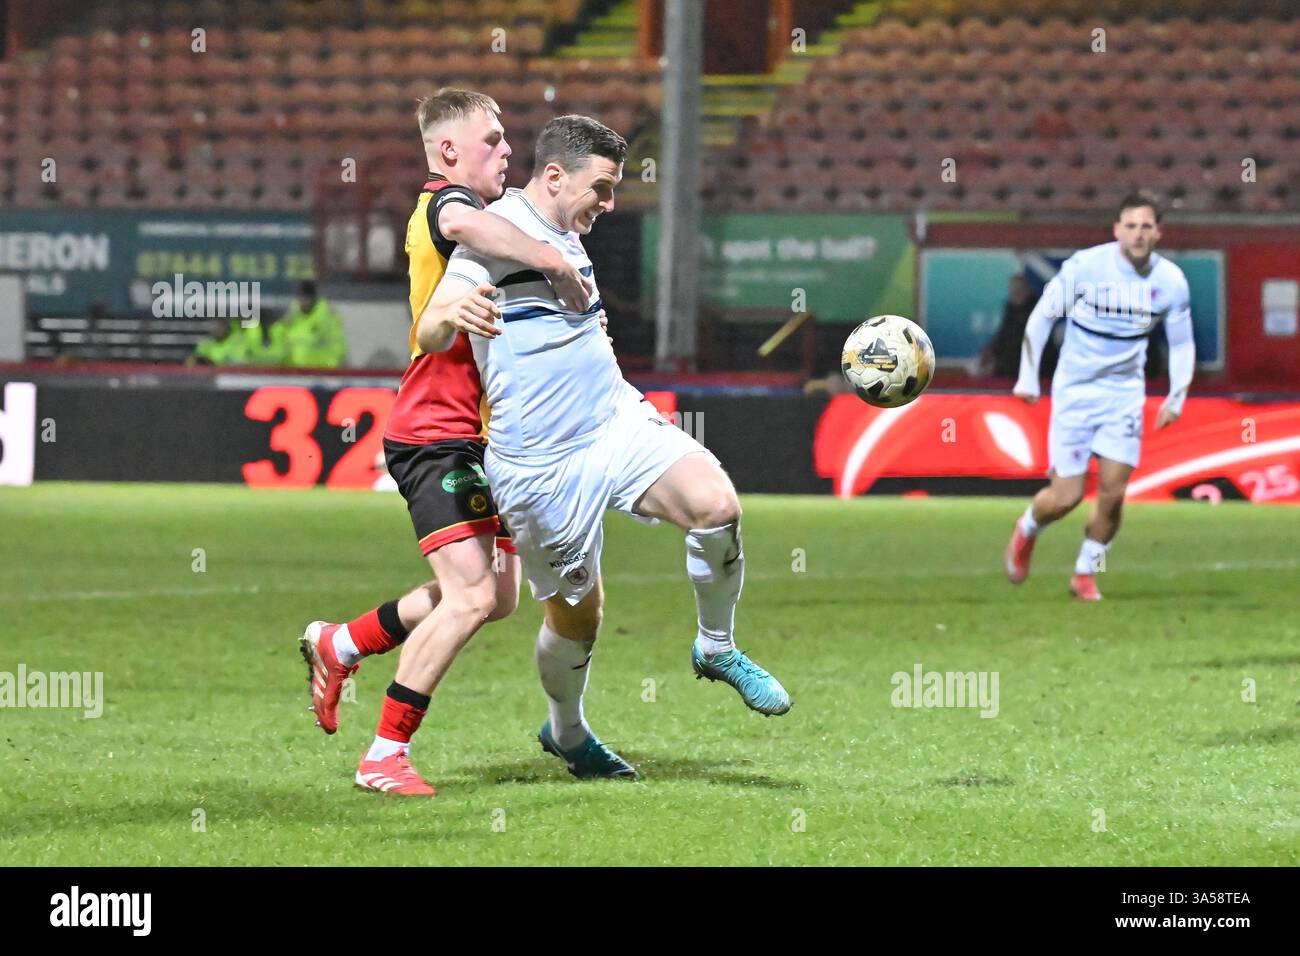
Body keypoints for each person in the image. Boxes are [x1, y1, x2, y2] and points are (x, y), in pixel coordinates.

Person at [420, 115, 791, 782]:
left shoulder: (569, 228)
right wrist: (454, 316)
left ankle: (716, 647)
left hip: (613, 420)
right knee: (578, 618)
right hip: (537, 467)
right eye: (603, 188)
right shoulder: (496, 236)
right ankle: (568, 732)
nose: (610, 203)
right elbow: (429, 329)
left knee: (717, 505)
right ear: (556, 177)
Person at [298, 89, 593, 797]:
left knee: (495, 599)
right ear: (451, 149)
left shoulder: (484, 218)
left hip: (483, 440)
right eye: (492, 139)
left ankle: (342, 643)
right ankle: (384, 757)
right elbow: (467, 226)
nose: (508, 149)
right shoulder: (447, 204)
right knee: (467, 598)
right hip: (436, 433)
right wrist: (556, 260)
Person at [1004, 190, 1194, 600]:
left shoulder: (1170, 282)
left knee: (1113, 492)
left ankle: (1085, 573)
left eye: (1146, 226)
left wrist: (1176, 395)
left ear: (1158, 232)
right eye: (1130, 226)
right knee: (1066, 497)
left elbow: (1181, 344)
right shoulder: (1086, 267)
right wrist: (1028, 377)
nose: (1138, 234)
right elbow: (1042, 317)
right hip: (1075, 393)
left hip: (1123, 395)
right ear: (1116, 230)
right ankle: (1028, 528)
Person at [266, 281, 348, 368]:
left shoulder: (325, 317)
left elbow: (338, 347)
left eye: (304, 298)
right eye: (300, 298)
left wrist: (331, 369)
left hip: (321, 372)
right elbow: (280, 341)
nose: (301, 302)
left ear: (312, 298)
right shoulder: (294, 316)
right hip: (297, 373)